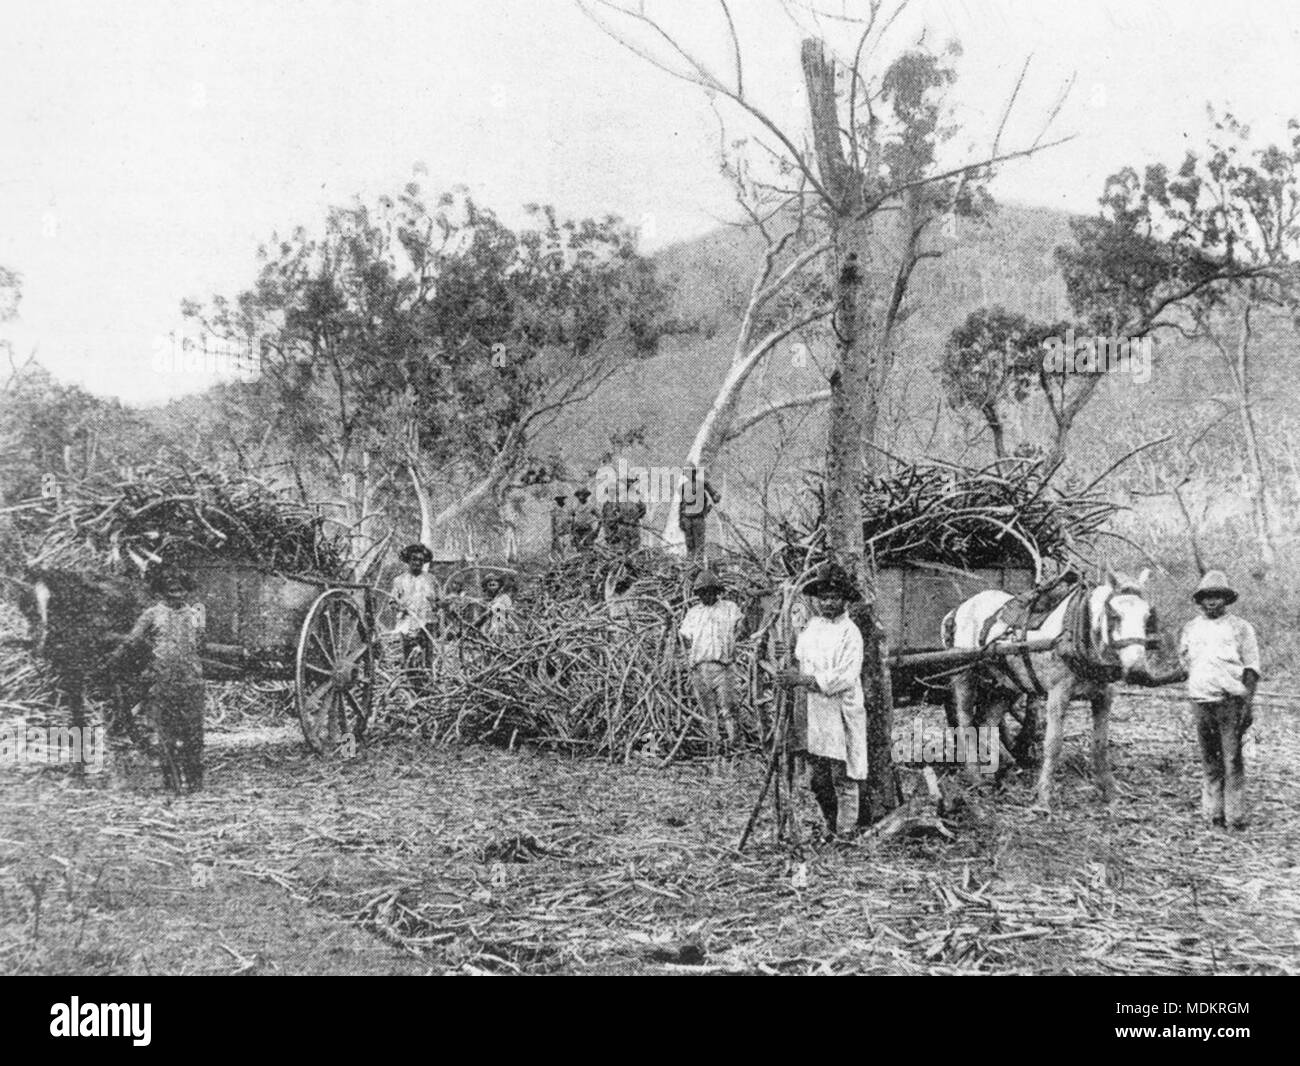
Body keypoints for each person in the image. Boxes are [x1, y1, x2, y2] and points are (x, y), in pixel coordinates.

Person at [777, 564, 866, 841]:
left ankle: (846, 832)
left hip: (840, 710)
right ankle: (830, 825)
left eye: (834, 597)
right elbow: (800, 658)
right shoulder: (813, 626)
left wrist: (803, 680)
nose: (828, 603)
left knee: (843, 775)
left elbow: (844, 677)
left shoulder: (850, 633)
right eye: (823, 598)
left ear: (844, 600)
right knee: (817, 778)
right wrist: (787, 654)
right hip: (815, 711)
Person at [1178, 570, 1261, 830]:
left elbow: (1251, 669)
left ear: (1226, 599)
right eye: (1207, 597)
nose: (1212, 602)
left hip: (1230, 703)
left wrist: (1246, 703)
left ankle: (1235, 818)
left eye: (1218, 597)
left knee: (1232, 760)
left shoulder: (1241, 628)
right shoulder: (1190, 628)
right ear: (1200, 600)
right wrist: (1149, 679)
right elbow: (1185, 666)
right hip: (1200, 701)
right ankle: (1214, 815)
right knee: (1209, 761)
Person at [112, 565, 206, 793]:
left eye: (181, 590)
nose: (177, 595)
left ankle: (194, 781)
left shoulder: (195, 615)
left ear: (187, 591)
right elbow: (132, 641)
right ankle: (171, 781)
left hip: (192, 682)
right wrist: (116, 659)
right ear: (162, 593)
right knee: (167, 734)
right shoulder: (151, 615)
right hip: (163, 682)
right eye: (171, 591)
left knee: (194, 734)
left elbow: (200, 643)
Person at [677, 569, 744, 754]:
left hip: (723, 668)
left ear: (717, 591)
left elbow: (741, 628)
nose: (706, 595)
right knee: (708, 711)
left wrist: (731, 646)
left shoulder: (730, 608)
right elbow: (684, 637)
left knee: (729, 708)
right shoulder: (693, 613)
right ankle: (714, 748)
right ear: (698, 594)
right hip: (700, 669)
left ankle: (735, 747)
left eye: (710, 591)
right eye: (702, 592)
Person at [391, 544, 439, 675]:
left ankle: (427, 683)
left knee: (427, 655)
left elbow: (439, 600)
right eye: (414, 559)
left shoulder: (431, 579)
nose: (417, 563)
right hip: (408, 623)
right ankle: (410, 682)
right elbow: (392, 602)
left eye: (420, 560)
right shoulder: (399, 580)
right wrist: (401, 608)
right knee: (409, 655)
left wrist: (437, 606)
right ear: (408, 561)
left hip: (427, 622)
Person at [678, 463, 720, 559]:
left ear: (694, 472)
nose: (688, 474)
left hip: (698, 519)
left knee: (699, 546)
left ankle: (698, 568)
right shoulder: (684, 486)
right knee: (689, 546)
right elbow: (681, 504)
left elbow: (715, 495)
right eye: (686, 472)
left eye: (689, 472)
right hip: (687, 519)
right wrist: (680, 520)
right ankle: (690, 567)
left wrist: (712, 503)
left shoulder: (703, 484)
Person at [481, 574, 515, 638]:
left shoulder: (504, 597)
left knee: (498, 607)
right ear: (486, 586)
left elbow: (510, 610)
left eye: (494, 583)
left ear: (499, 585)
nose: (492, 584)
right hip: (487, 622)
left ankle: (497, 633)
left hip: (502, 621)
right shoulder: (485, 599)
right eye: (490, 584)